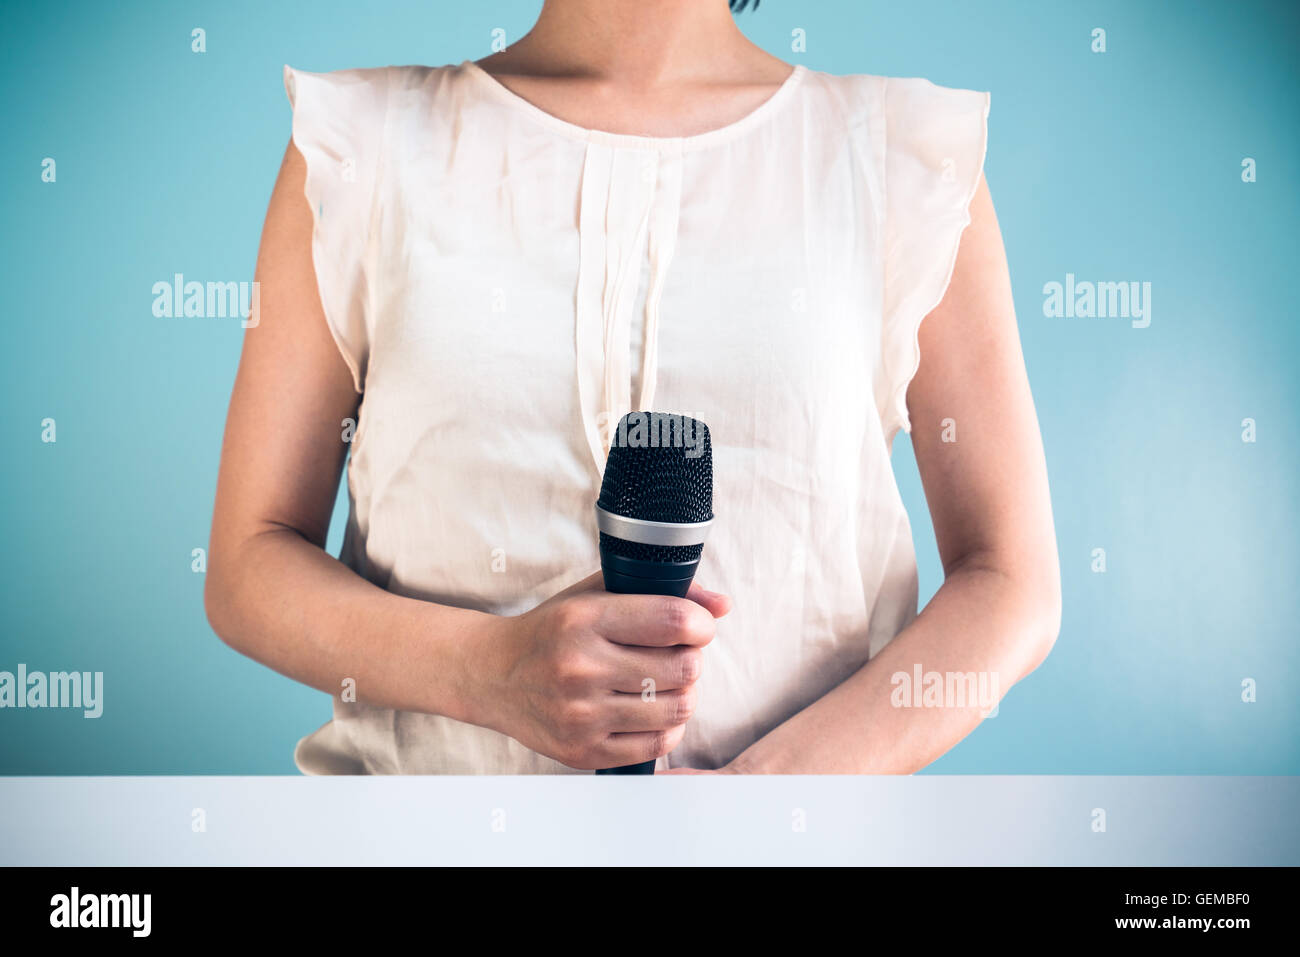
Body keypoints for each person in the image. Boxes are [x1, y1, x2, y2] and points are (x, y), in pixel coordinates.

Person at [205, 0, 1061, 774]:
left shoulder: (899, 157)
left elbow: (1010, 579)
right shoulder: (367, 143)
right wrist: (486, 670)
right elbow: (249, 562)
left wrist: (771, 798)